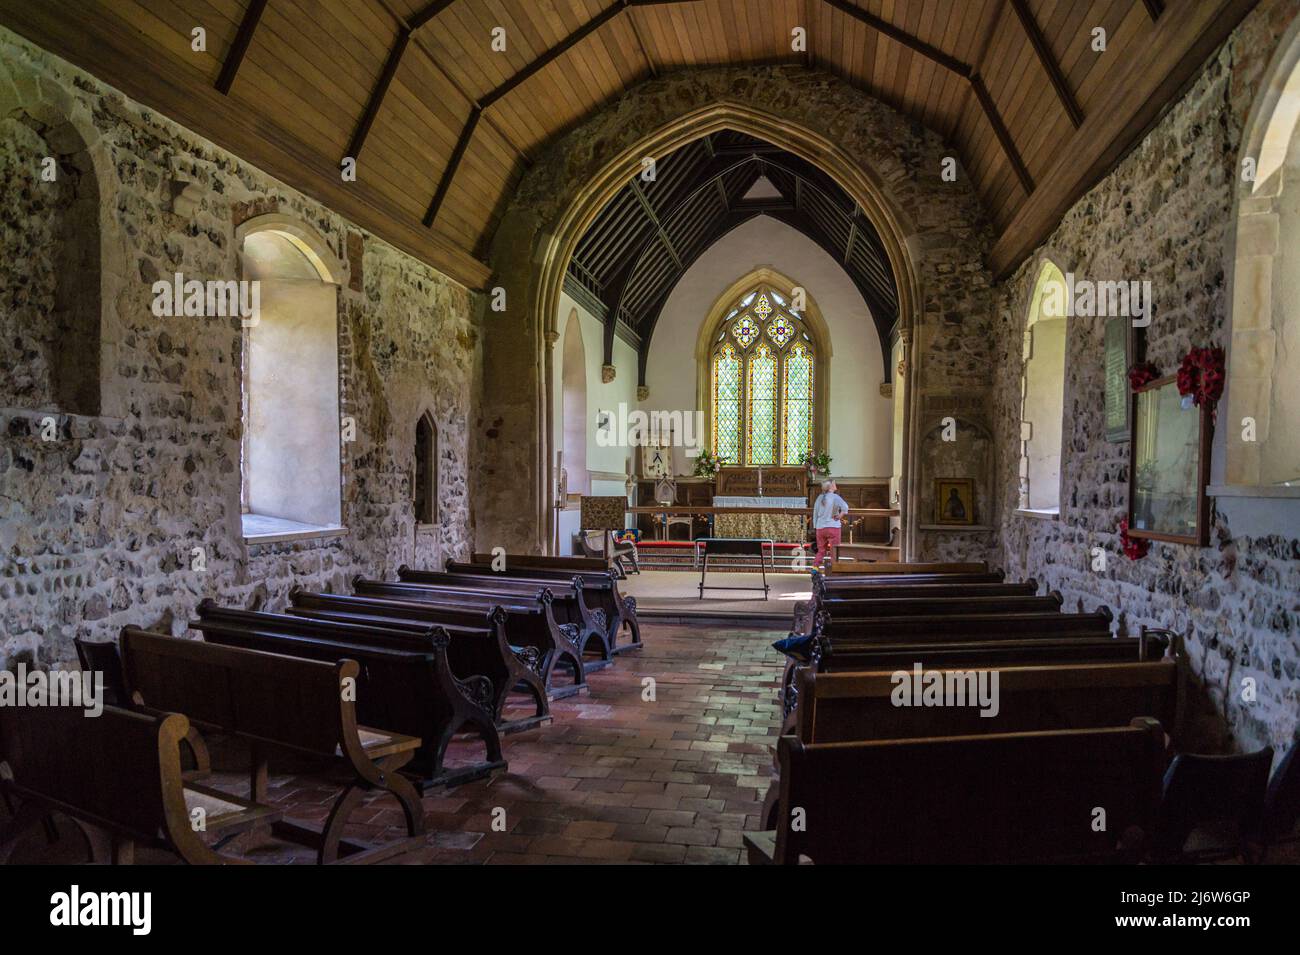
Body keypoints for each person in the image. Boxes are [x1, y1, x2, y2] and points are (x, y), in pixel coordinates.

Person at [811, 479, 849, 570]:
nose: (836, 484)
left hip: (820, 528)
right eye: (834, 483)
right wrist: (840, 516)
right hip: (833, 527)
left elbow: (815, 513)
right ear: (831, 486)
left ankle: (815, 569)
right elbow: (845, 507)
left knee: (821, 551)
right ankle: (833, 571)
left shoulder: (819, 498)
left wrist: (815, 527)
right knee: (834, 552)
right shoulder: (835, 497)